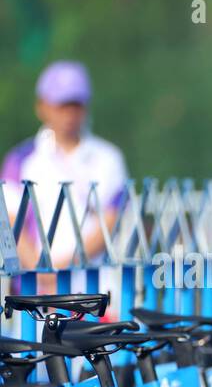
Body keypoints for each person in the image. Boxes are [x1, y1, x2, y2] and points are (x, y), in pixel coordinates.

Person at [2, 61, 128, 291]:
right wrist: (39, 271)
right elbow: (11, 223)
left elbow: (110, 223)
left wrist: (59, 269)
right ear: (42, 106)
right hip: (36, 294)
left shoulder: (108, 158)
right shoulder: (20, 159)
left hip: (95, 291)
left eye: (76, 105)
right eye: (62, 105)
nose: (69, 113)